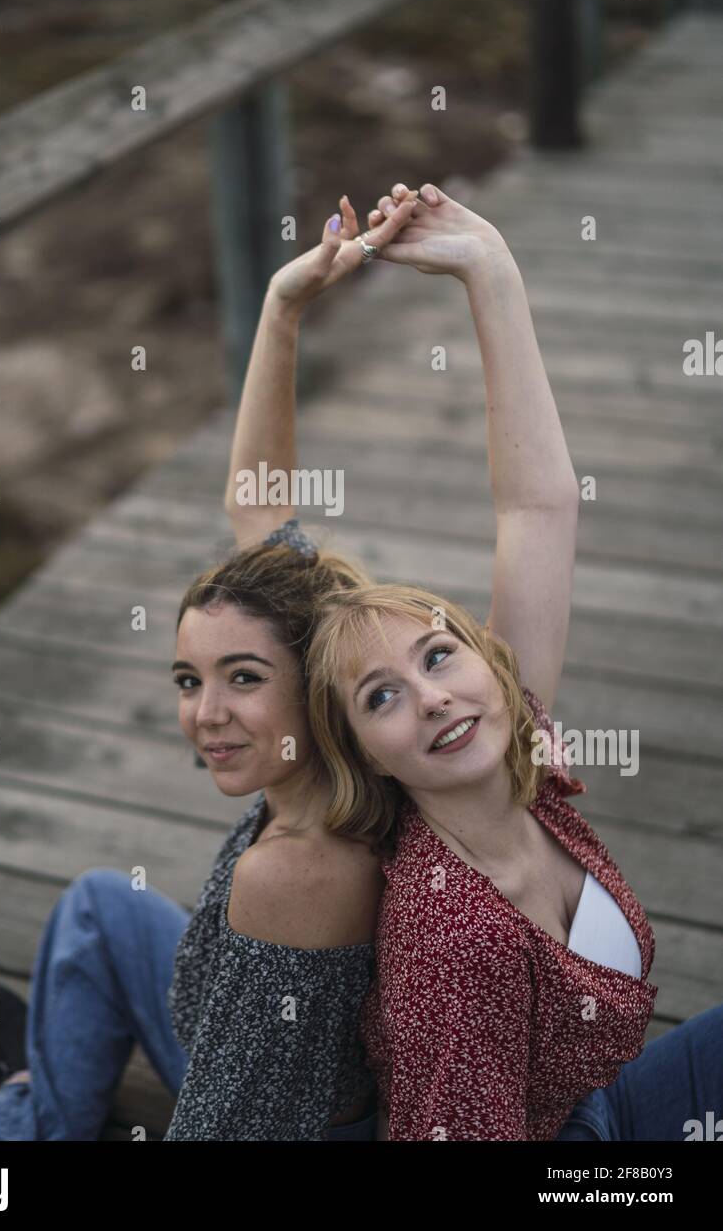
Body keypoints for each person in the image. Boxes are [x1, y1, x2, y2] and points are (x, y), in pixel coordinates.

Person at [0, 185, 420, 1142]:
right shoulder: (332, 740)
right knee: (102, 905)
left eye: (242, 678)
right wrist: (282, 305)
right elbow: (260, 501)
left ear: (313, 685)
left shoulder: (300, 877)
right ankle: (43, 1100)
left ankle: (26, 1110)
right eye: (190, 680)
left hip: (273, 1111)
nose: (206, 714)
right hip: (232, 1027)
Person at [301, 181, 723, 1141]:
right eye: (382, 697)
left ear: (489, 665)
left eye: (439, 655)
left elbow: (538, 507)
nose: (434, 697)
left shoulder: (510, 744)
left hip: (610, 1099)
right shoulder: (457, 947)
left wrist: (488, 269)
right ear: (368, 754)